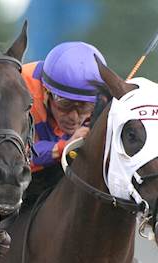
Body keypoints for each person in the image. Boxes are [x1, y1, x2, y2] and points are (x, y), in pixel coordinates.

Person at [20, 41, 107, 199]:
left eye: (85, 106)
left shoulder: (103, 101)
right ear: (46, 92)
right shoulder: (21, 89)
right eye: (65, 104)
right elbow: (14, 157)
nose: (74, 117)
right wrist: (65, 147)